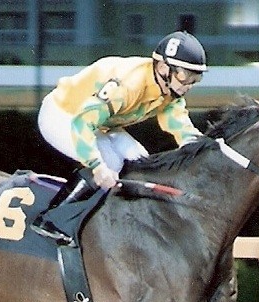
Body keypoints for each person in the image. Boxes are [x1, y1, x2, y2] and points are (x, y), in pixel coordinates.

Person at [31, 30, 208, 245]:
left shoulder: (169, 90)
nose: (188, 85)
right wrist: (97, 166)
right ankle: (52, 219)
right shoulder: (128, 85)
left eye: (194, 79)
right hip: (64, 115)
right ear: (163, 68)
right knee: (109, 164)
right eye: (185, 76)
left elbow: (180, 125)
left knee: (139, 162)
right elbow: (82, 123)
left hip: (101, 123)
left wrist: (202, 147)